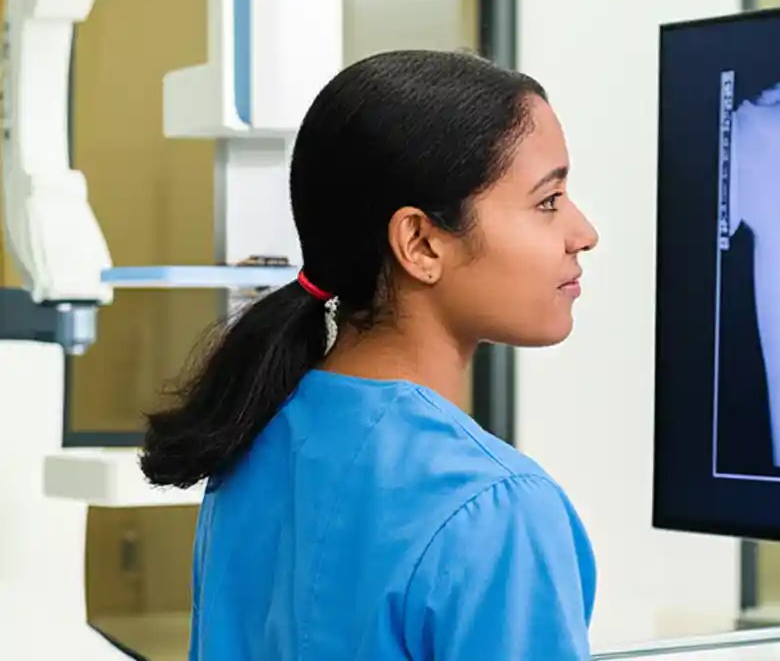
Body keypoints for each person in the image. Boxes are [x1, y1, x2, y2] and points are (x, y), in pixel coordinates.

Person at [139, 50, 600, 659]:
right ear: (420, 243)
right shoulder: (496, 507)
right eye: (548, 201)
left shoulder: (252, 443)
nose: (583, 231)